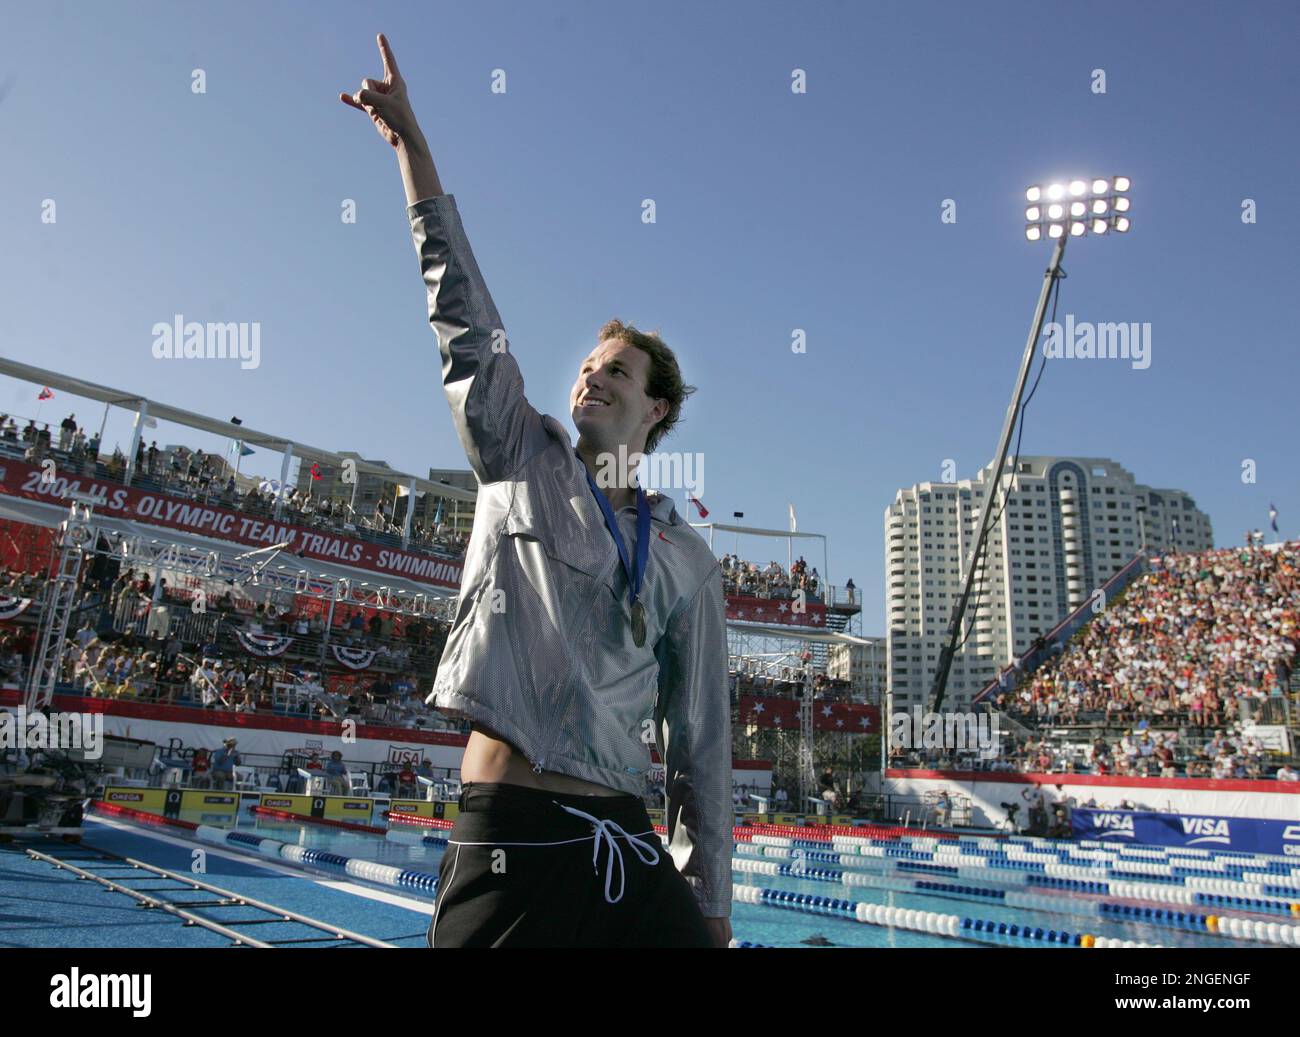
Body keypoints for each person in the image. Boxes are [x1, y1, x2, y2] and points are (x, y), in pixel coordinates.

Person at [341, 34, 730, 948]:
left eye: (617, 373)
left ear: (657, 406)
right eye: (588, 367)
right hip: (508, 832)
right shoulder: (522, 455)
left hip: (624, 847)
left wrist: (710, 899)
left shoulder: (686, 559)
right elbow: (466, 320)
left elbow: (700, 741)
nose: (591, 379)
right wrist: (415, 156)